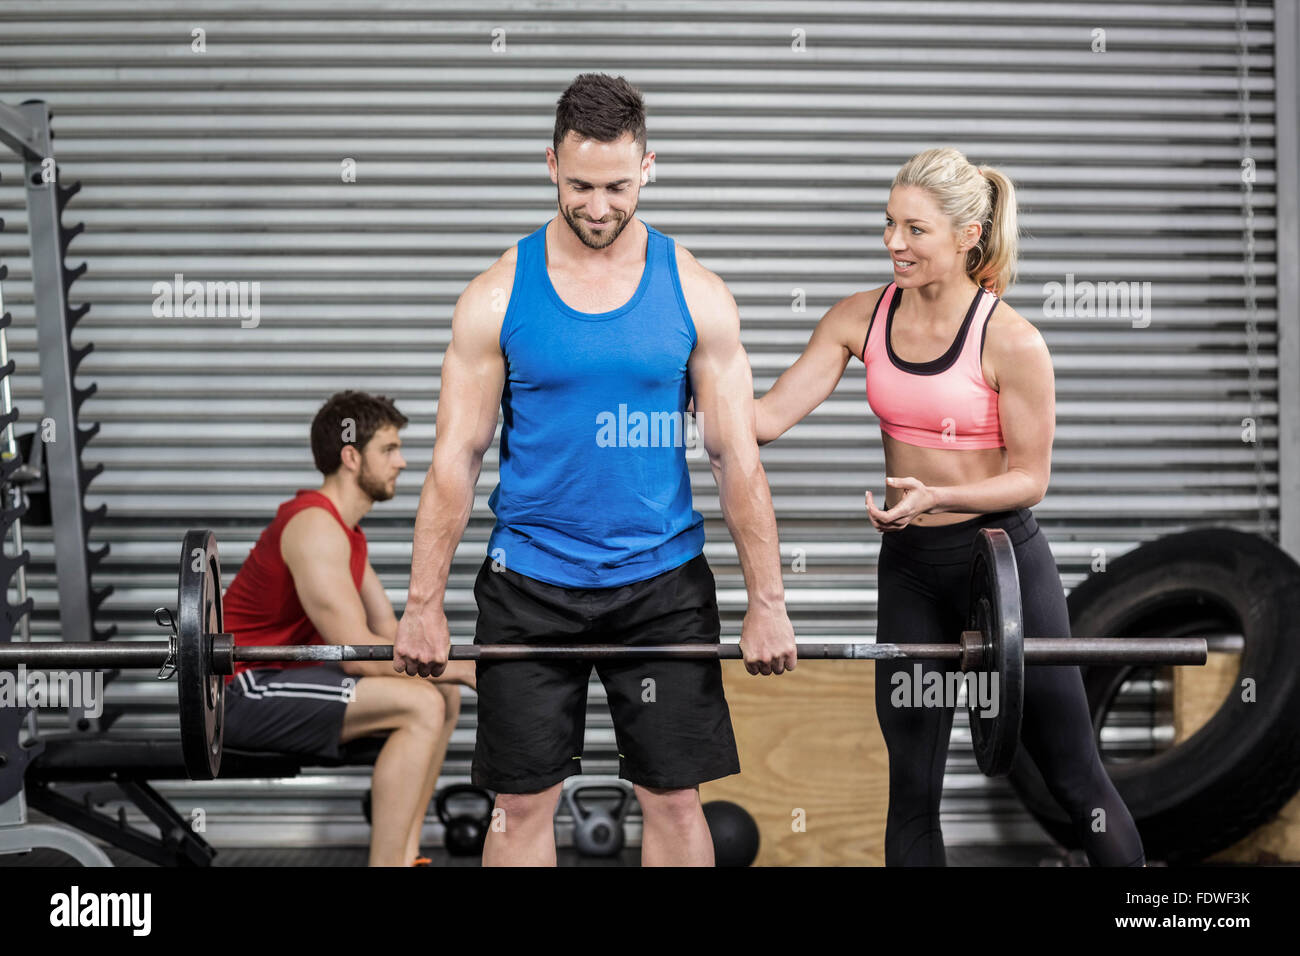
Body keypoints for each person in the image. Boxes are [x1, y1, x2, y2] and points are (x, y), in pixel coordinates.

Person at [392, 72, 797, 867]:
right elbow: (455, 459)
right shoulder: (496, 295)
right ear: (550, 165)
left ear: (650, 166)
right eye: (580, 185)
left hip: (664, 583)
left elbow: (734, 454)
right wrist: (422, 606)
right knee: (518, 803)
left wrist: (769, 603)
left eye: (617, 184)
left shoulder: (698, 294)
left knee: (678, 802)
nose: (600, 205)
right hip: (527, 585)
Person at [754, 147, 1145, 866]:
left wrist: (943, 495)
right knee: (912, 790)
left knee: (1076, 778)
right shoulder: (859, 319)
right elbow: (763, 420)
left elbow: (1030, 479)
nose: (892, 243)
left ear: (967, 236)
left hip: (1002, 565)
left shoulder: (1012, 340)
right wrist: (669, 378)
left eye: (915, 229)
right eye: (888, 225)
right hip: (910, 572)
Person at [221, 390, 475, 867]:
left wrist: (453, 670)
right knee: (423, 701)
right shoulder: (314, 527)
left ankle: (406, 855)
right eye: (389, 449)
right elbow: (359, 655)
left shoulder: (346, 534)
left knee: (442, 696)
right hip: (242, 689)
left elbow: (391, 639)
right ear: (351, 456)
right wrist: (460, 668)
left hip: (282, 680)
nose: (402, 462)